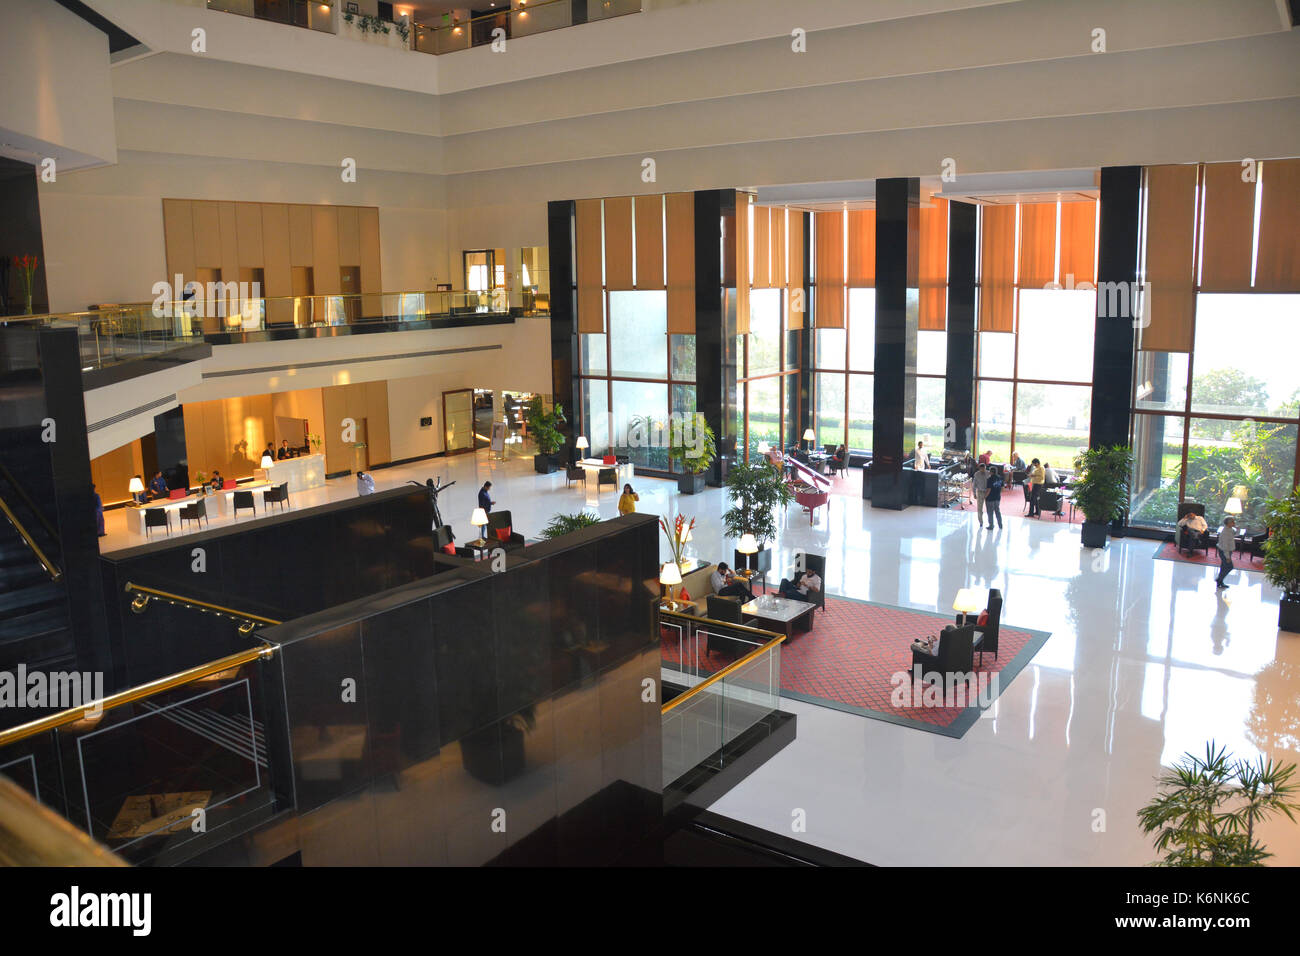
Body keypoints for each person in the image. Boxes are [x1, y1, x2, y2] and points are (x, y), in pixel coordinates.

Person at [1216, 517, 1237, 590]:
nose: (1234, 523)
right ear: (1228, 523)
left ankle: (1220, 582)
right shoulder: (1225, 532)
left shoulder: (1229, 529)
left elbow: (1234, 533)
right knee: (1229, 566)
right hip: (1224, 552)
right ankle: (1219, 579)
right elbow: (1225, 546)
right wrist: (1227, 557)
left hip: (1227, 551)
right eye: (1232, 522)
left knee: (1224, 567)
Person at [972, 463, 989, 528]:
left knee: (989, 508)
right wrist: (974, 493)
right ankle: (981, 522)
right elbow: (974, 485)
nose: (983, 470)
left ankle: (990, 522)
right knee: (979, 508)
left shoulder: (988, 473)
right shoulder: (976, 474)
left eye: (984, 468)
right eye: (981, 469)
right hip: (979, 492)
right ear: (979, 469)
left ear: (985, 468)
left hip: (987, 492)